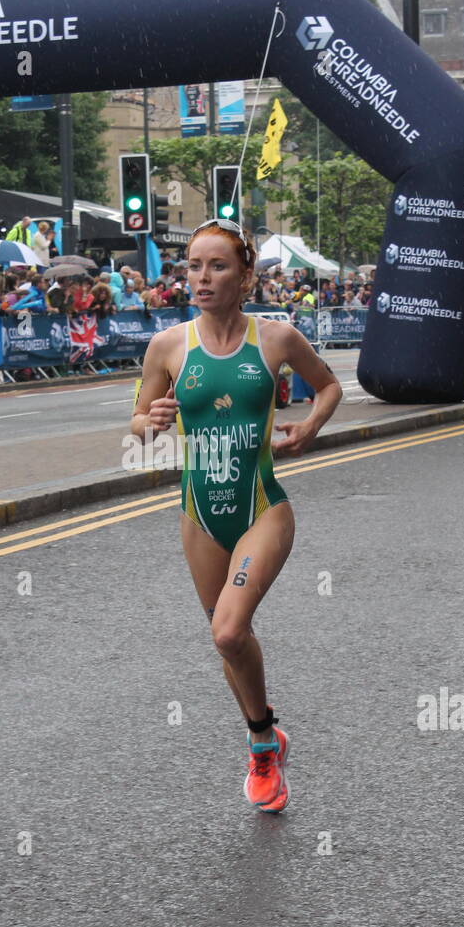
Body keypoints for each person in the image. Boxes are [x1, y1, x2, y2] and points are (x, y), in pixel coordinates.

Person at [131, 217, 342, 814]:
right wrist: (149, 425)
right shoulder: (168, 346)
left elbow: (329, 388)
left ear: (245, 275)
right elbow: (138, 419)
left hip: (260, 508)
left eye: (216, 266)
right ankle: (266, 736)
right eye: (193, 266)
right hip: (199, 515)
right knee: (230, 640)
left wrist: (308, 428)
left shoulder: (275, 339)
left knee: (227, 628)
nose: (201, 277)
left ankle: (259, 743)